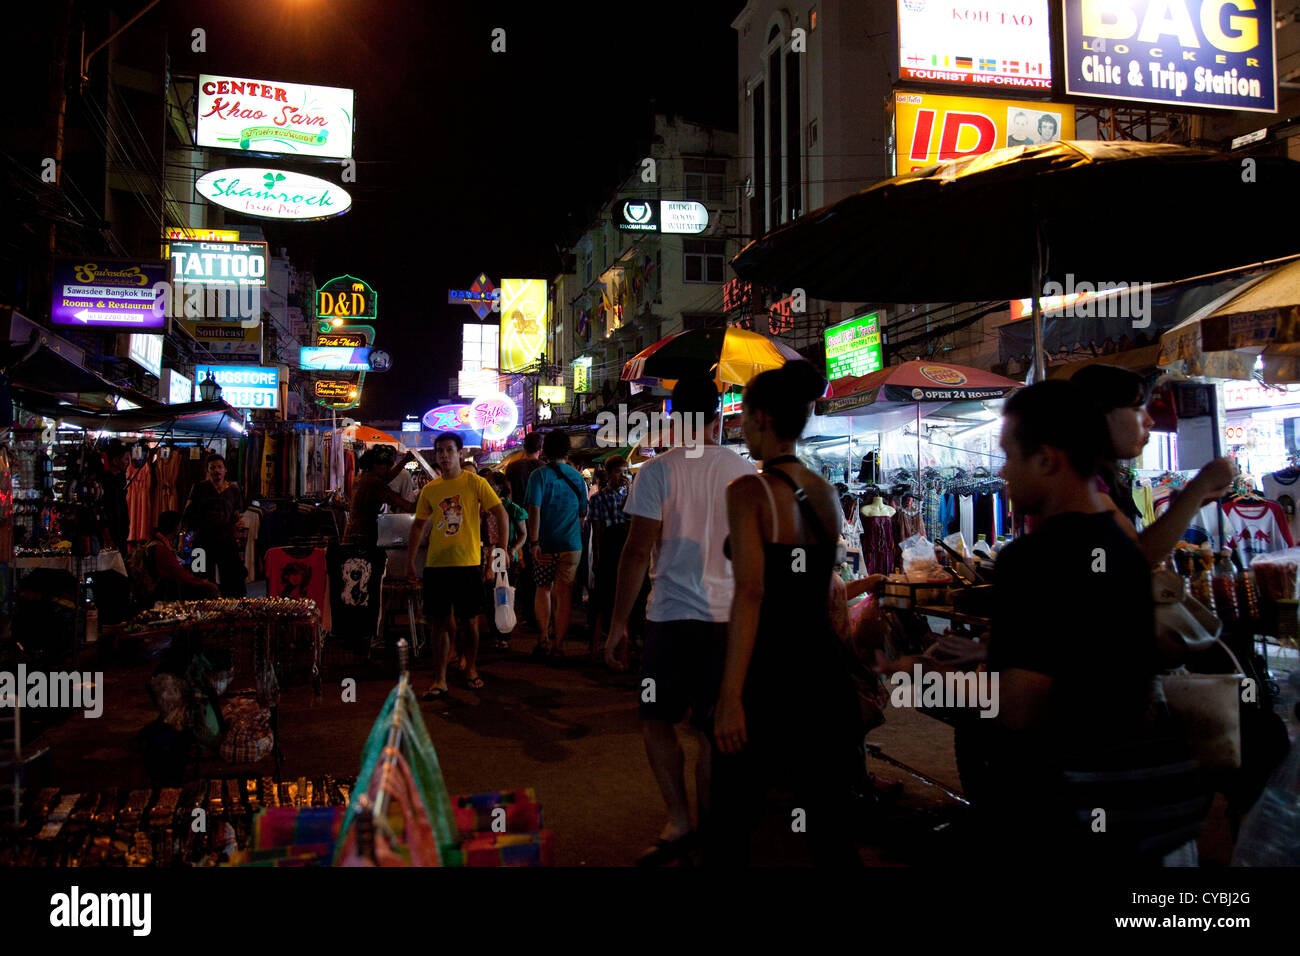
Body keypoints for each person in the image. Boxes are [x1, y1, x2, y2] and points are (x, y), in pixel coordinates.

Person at [983, 380, 1206, 863]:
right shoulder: (1123, 547)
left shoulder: (1031, 561)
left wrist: (930, 681)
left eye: (1009, 455)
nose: (1003, 472)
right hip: (1139, 812)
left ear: (1046, 459)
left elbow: (1022, 707)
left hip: (1064, 814)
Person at [708, 362, 863, 867]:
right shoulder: (826, 492)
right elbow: (826, 589)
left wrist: (730, 697)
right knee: (827, 817)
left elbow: (750, 592)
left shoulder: (748, 492)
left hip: (770, 672)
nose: (742, 430)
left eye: (747, 418)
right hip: (824, 670)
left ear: (764, 419)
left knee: (738, 812)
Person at [605, 377, 756, 866]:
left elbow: (635, 552)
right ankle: (711, 828)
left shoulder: (655, 472)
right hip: (726, 623)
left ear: (675, 420)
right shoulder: (744, 472)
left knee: (655, 719)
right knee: (712, 730)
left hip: (668, 623)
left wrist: (617, 626)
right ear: (718, 419)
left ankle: (678, 818)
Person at [1070, 364, 1234, 567]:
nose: (1150, 421)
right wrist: (1199, 487)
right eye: (1136, 409)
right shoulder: (1081, 485)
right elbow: (1138, 556)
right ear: (1100, 415)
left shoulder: (1097, 480)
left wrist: (1186, 501)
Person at [407, 432, 508, 699]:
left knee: (470, 622)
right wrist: (410, 561)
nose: (444, 455)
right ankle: (440, 678)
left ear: (460, 453)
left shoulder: (475, 483)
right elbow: (418, 525)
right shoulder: (430, 489)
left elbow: (500, 512)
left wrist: (502, 550)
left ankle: (471, 668)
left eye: (449, 450)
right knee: (439, 623)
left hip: (468, 563)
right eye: (440, 450)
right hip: (437, 565)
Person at [524, 430, 588, 658]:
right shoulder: (578, 478)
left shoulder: (539, 476)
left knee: (543, 589)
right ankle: (559, 645)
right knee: (564, 593)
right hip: (572, 545)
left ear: (545, 450)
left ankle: (543, 639)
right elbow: (582, 515)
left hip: (545, 545)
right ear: (566, 450)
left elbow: (534, 510)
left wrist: (534, 542)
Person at [183, 453, 247, 597]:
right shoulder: (199, 488)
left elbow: (236, 514)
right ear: (208, 471)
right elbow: (188, 513)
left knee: (233, 576)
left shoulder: (234, 490)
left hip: (226, 538)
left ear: (225, 470)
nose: (216, 471)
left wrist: (238, 524)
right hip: (202, 539)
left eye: (219, 467)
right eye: (212, 468)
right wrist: (185, 538)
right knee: (199, 576)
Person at [587, 456, 631, 660]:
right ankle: (595, 646)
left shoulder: (631, 496)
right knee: (602, 601)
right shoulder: (598, 499)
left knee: (626, 599)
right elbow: (597, 532)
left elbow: (632, 519)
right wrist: (596, 558)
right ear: (609, 472)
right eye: (619, 471)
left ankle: (623, 648)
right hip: (608, 551)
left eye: (626, 471)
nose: (623, 476)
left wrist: (631, 493)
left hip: (627, 550)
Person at [132, 510, 220, 605]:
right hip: (156, 597)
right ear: (176, 527)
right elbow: (179, 573)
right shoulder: (160, 549)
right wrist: (204, 583)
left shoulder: (156, 544)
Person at [483, 470, 528, 651]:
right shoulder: (483, 508)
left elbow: (523, 534)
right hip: (487, 553)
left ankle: (503, 634)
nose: (487, 487)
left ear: (499, 487)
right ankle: (495, 632)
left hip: (503, 555)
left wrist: (512, 550)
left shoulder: (512, 508)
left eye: (490, 484)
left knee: (502, 593)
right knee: (488, 595)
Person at [507, 431, 546, 628]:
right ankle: (536, 615)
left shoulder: (513, 467)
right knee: (538, 569)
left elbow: (510, 497)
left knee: (520, 569)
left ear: (524, 446)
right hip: (540, 525)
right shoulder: (545, 468)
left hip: (517, 523)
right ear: (540, 449)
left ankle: (521, 612)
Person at [342, 446, 415, 547]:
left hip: (352, 535)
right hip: (363, 539)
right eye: (387, 466)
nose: (388, 470)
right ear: (376, 465)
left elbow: (387, 476)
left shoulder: (363, 476)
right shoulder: (375, 483)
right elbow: (406, 506)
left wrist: (405, 461)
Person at [98, 439, 131, 551]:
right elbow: (103, 509)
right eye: (126, 459)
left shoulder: (121, 477)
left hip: (121, 531)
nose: (128, 463)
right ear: (116, 460)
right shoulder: (104, 480)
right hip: (110, 533)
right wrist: (108, 537)